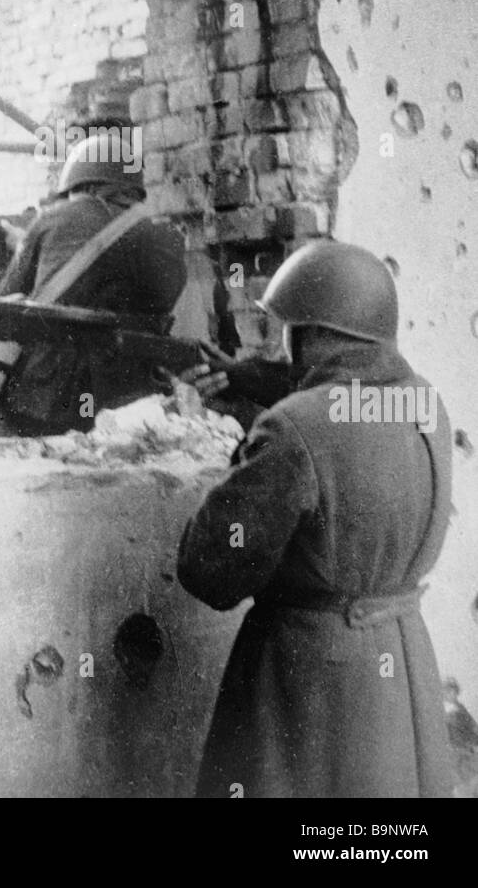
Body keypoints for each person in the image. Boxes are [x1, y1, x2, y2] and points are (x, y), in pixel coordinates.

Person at [177, 238, 453, 799]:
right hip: (400, 664)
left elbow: (209, 571)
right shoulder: (425, 402)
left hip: (311, 676)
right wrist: (266, 400)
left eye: (288, 330)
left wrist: (253, 443)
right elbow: (349, 427)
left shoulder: (293, 428)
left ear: (311, 331)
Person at [0, 132, 187, 436]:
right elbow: (162, 305)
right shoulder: (160, 236)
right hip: (124, 401)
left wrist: (23, 248)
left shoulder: (51, 219)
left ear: (83, 184)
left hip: (43, 399)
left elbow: (1, 298)